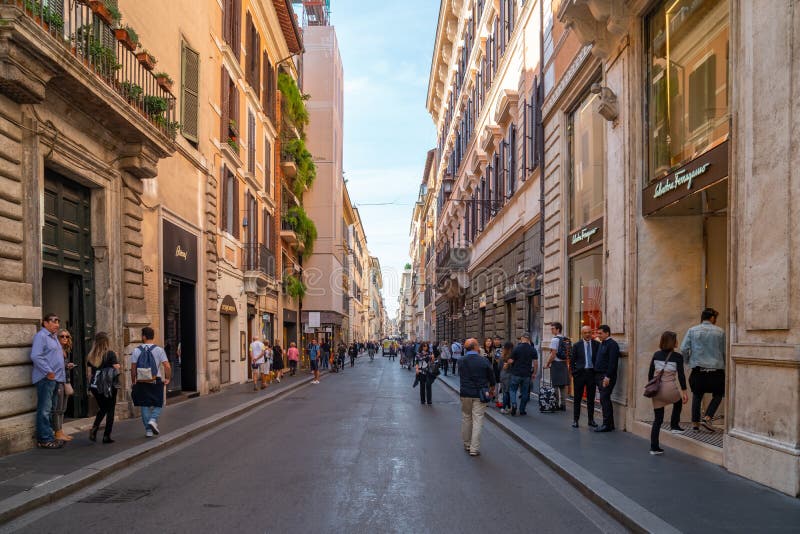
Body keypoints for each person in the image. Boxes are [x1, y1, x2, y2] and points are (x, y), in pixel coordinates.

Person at [680, 308, 726, 432]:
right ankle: (707, 417)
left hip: (698, 370)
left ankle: (695, 425)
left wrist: (688, 361)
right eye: (715, 318)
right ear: (712, 318)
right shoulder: (720, 332)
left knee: (697, 395)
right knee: (718, 394)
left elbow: (683, 348)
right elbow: (725, 351)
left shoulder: (692, 330)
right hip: (716, 371)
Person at [649, 331, 689, 455]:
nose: (677, 342)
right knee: (678, 402)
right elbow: (681, 376)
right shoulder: (677, 357)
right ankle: (674, 426)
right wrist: (684, 391)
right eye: (676, 340)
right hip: (669, 387)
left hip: (656, 390)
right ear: (672, 342)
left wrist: (652, 388)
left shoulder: (656, 354)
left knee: (658, 420)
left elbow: (650, 374)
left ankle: (654, 448)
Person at [30, 314, 66, 449]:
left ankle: (50, 436)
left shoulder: (54, 337)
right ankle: (44, 439)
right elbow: (35, 356)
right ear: (45, 323)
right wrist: (48, 372)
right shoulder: (41, 336)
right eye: (53, 321)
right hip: (46, 378)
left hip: (56, 378)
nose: (56, 324)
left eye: (58, 321)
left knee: (51, 409)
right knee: (45, 410)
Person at [131, 327, 171, 438]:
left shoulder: (136, 350)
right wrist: (168, 377)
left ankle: (148, 431)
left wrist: (133, 380)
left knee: (145, 404)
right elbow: (167, 366)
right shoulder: (159, 350)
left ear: (143, 336)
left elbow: (133, 368)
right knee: (159, 402)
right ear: (152, 336)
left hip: (141, 380)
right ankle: (153, 419)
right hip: (155, 379)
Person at [459, 338, 496, 456]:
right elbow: (492, 377)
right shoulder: (483, 361)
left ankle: (467, 444)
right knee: (478, 420)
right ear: (475, 347)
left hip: (465, 393)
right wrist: (492, 389)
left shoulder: (461, 360)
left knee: (466, 418)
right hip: (479, 393)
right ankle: (474, 448)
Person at [87, 332, 120, 443]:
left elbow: (89, 374)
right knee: (110, 410)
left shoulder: (91, 356)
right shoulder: (110, 354)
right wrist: (117, 362)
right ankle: (106, 436)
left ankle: (95, 428)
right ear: (106, 341)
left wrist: (90, 388)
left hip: (95, 386)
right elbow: (116, 368)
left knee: (103, 408)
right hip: (108, 386)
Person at [570, 326, 599, 428]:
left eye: (589, 332)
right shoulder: (577, 345)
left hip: (592, 374)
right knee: (577, 398)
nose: (587, 334)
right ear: (582, 334)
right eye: (585, 333)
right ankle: (575, 420)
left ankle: (591, 420)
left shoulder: (597, 345)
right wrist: (574, 373)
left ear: (591, 333)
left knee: (591, 399)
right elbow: (572, 361)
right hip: (580, 375)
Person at [594, 325, 620, 433]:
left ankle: (606, 425)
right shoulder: (602, 344)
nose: (598, 335)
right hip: (599, 376)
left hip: (606, 377)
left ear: (607, 333)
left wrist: (607, 377)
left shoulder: (612, 345)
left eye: (600, 333)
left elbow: (612, 363)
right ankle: (610, 424)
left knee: (604, 400)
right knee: (604, 400)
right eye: (598, 333)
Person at [507, 333, 538, 416]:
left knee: (512, 390)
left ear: (522, 338)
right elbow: (535, 363)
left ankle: (514, 404)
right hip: (527, 374)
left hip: (516, 373)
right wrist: (534, 373)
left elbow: (511, 361)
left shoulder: (516, 348)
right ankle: (522, 410)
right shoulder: (532, 349)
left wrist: (509, 362)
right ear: (529, 339)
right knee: (525, 393)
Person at [53, 329, 76, 442]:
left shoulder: (65, 351)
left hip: (65, 380)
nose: (65, 338)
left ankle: (61, 431)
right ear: (57, 338)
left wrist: (68, 365)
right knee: (58, 408)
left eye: (67, 336)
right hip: (58, 381)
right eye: (62, 336)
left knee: (63, 408)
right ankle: (57, 432)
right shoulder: (56, 350)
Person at [544, 322, 570, 411]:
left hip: (556, 364)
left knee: (555, 385)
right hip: (563, 364)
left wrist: (547, 364)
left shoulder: (554, 340)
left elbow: (553, 354)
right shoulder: (565, 338)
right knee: (562, 386)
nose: (551, 330)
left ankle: (555, 404)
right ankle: (563, 405)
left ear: (558, 329)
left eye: (553, 328)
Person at [498, 341, 514, 414]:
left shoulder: (502, 356)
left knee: (505, 392)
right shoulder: (512, 357)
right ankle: (504, 407)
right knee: (507, 392)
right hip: (509, 376)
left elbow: (499, 367)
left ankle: (508, 407)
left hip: (502, 375)